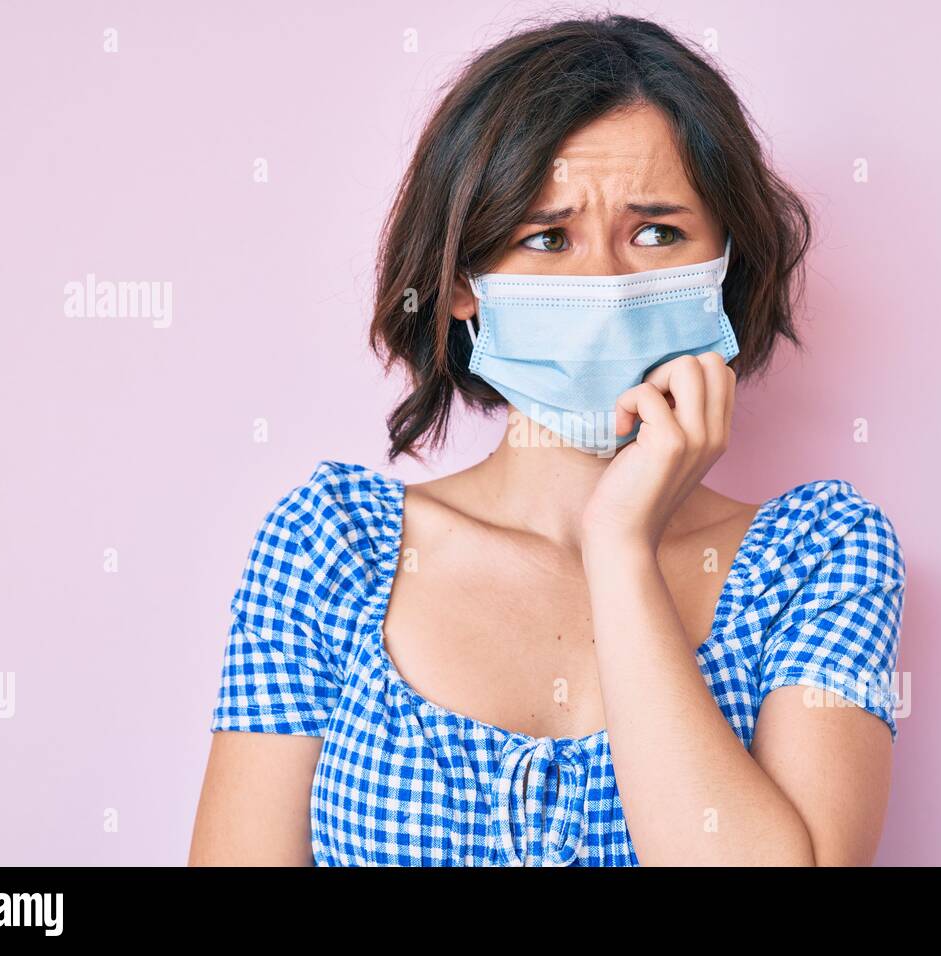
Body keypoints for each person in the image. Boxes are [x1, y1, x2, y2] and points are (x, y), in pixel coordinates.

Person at [189, 14, 904, 867]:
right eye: (546, 237)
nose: (602, 281)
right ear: (462, 286)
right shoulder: (327, 545)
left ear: (726, 263)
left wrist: (620, 547)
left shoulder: (822, 557)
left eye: (656, 233)